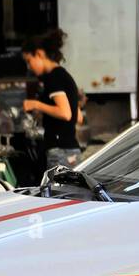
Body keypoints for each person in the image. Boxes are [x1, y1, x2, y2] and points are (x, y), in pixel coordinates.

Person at [22, 28, 82, 171]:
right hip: (71, 150)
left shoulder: (54, 78)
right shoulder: (63, 75)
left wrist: (36, 104)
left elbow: (65, 113)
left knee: (56, 192)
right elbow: (77, 117)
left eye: (29, 61)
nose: (29, 67)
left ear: (40, 54)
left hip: (59, 151)